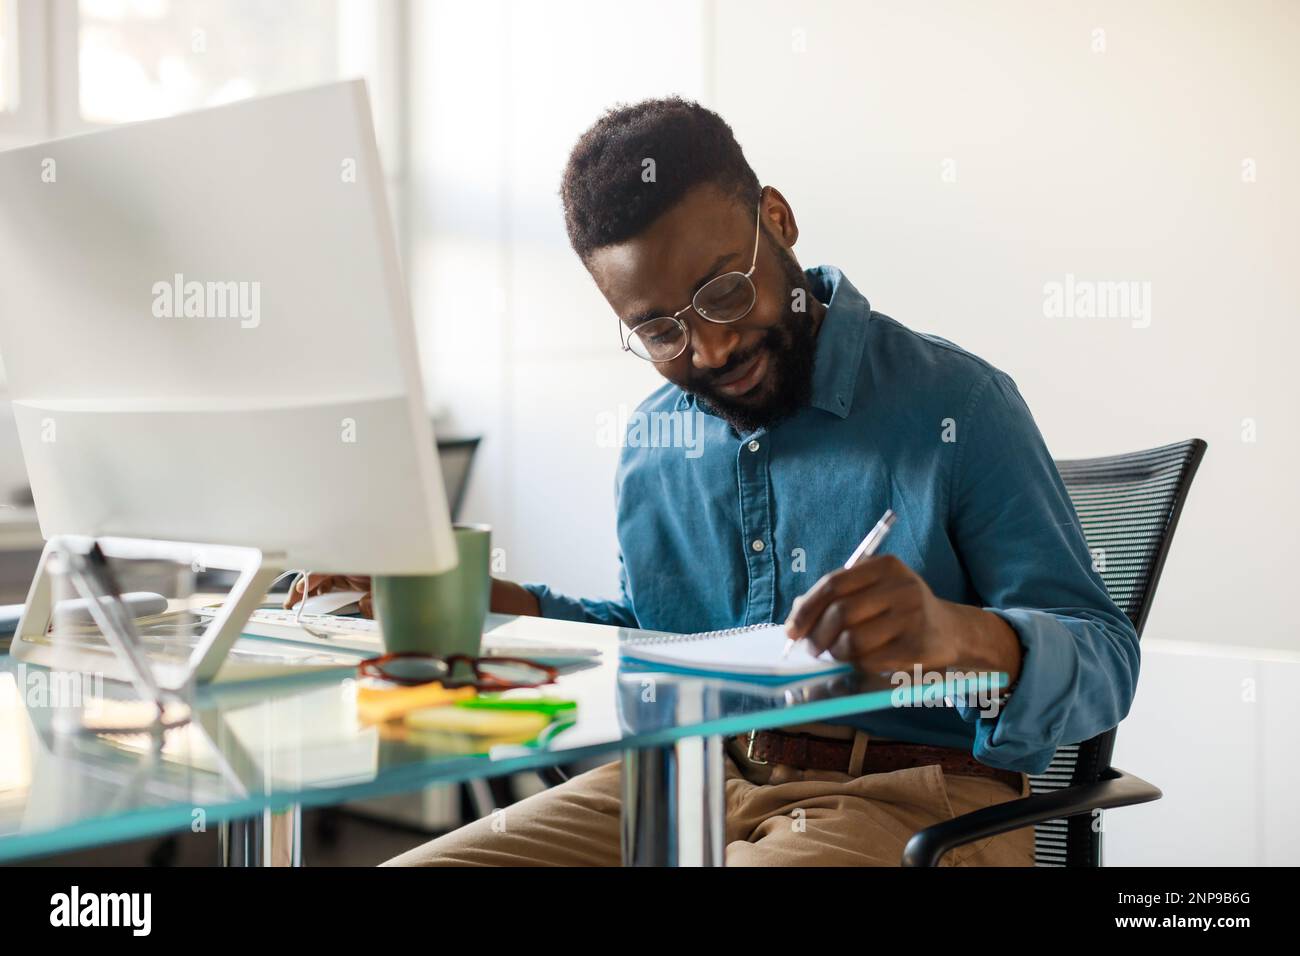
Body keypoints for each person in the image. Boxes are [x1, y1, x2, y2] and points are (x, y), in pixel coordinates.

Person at [306, 98, 1138, 866]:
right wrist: (466, 600)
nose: (707, 350)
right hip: (693, 779)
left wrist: (954, 635)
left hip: (918, 801)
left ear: (777, 221)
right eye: (660, 329)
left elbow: (1105, 663)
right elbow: (658, 639)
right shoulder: (652, 440)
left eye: (722, 292)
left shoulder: (958, 403)